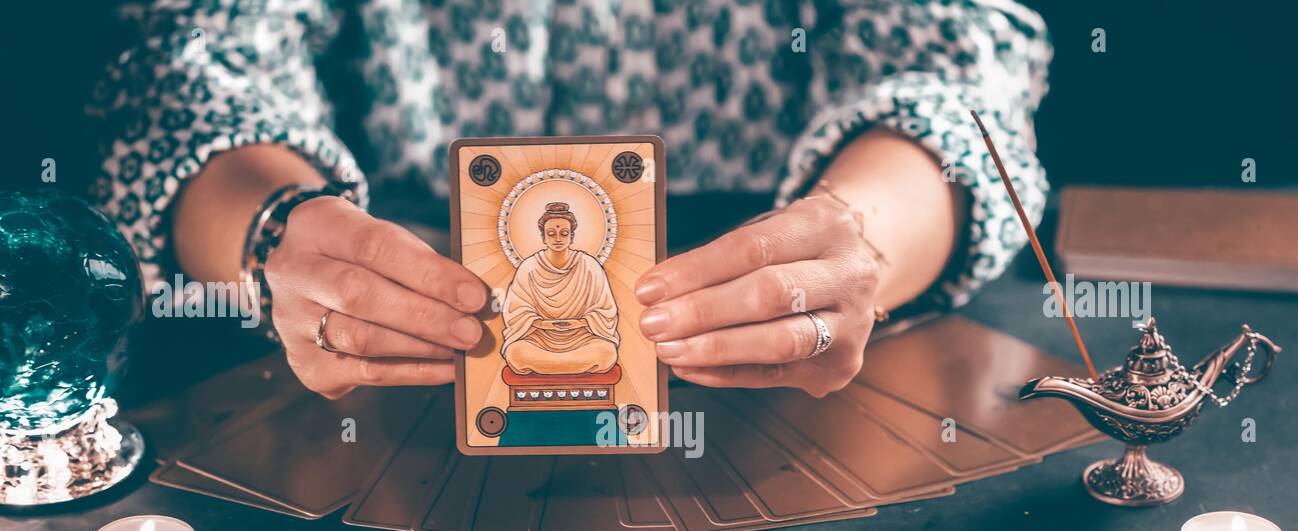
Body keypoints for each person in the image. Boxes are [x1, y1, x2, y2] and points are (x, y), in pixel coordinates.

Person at [89, 0, 1050, 400]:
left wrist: (861, 245)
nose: (557, 236)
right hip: (383, 315)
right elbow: (187, 62)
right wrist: (273, 237)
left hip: (790, 331)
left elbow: (955, 65)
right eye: (548, 229)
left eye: (563, 231)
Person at [501, 203, 620, 375]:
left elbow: (605, 310)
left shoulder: (589, 265)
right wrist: (543, 324)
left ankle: (548, 366)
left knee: (606, 352)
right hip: (539, 337)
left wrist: (579, 323)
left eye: (564, 233)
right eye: (551, 234)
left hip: (581, 337)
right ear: (543, 237)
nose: (558, 238)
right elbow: (516, 311)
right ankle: (572, 365)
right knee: (516, 353)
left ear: (571, 237)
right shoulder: (529, 267)